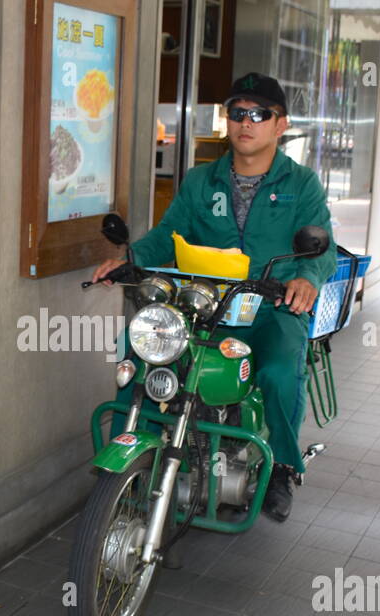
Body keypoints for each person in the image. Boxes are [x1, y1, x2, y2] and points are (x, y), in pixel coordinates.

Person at [91, 72, 337, 522]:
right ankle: (132, 457)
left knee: (282, 371)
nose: (246, 122)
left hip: (272, 307)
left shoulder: (302, 184)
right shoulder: (201, 181)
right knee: (143, 350)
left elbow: (323, 248)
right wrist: (130, 259)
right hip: (205, 306)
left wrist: (306, 279)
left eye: (259, 114)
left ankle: (283, 466)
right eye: (237, 113)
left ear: (280, 124)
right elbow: (169, 235)